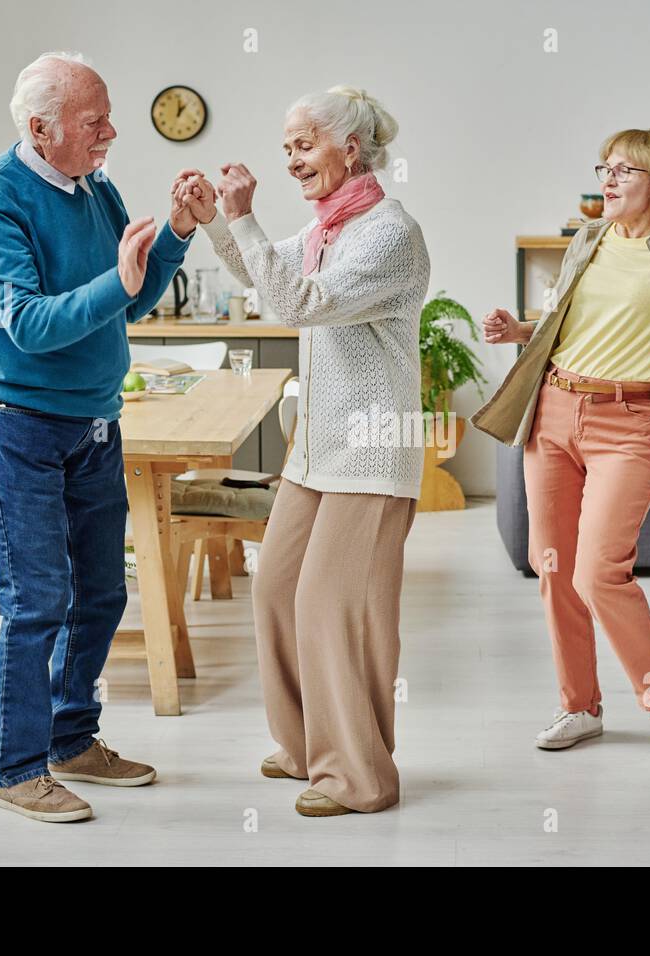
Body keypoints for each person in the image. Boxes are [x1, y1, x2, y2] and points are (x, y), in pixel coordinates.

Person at [471, 129, 650, 770]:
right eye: (603, 167)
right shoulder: (587, 240)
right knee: (551, 565)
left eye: (624, 170)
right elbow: (570, 326)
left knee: (599, 572)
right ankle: (580, 705)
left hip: (630, 421)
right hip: (554, 409)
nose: (607, 179)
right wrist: (522, 331)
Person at [0, 51, 202, 822]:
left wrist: (177, 235)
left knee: (101, 591)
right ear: (41, 127)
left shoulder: (96, 187)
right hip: (19, 423)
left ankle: (72, 740)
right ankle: (18, 767)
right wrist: (121, 281)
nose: (111, 132)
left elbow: (125, 303)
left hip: (96, 423)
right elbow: (26, 325)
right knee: (37, 601)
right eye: (95, 121)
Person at [175, 86, 430, 816]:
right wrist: (211, 222)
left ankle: (359, 775)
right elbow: (262, 272)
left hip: (371, 452)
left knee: (332, 605)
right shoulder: (330, 229)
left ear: (351, 148)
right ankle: (304, 744)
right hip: (317, 450)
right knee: (277, 587)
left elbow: (296, 305)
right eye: (287, 145)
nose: (292, 158)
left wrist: (245, 216)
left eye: (304, 143)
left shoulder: (387, 232)